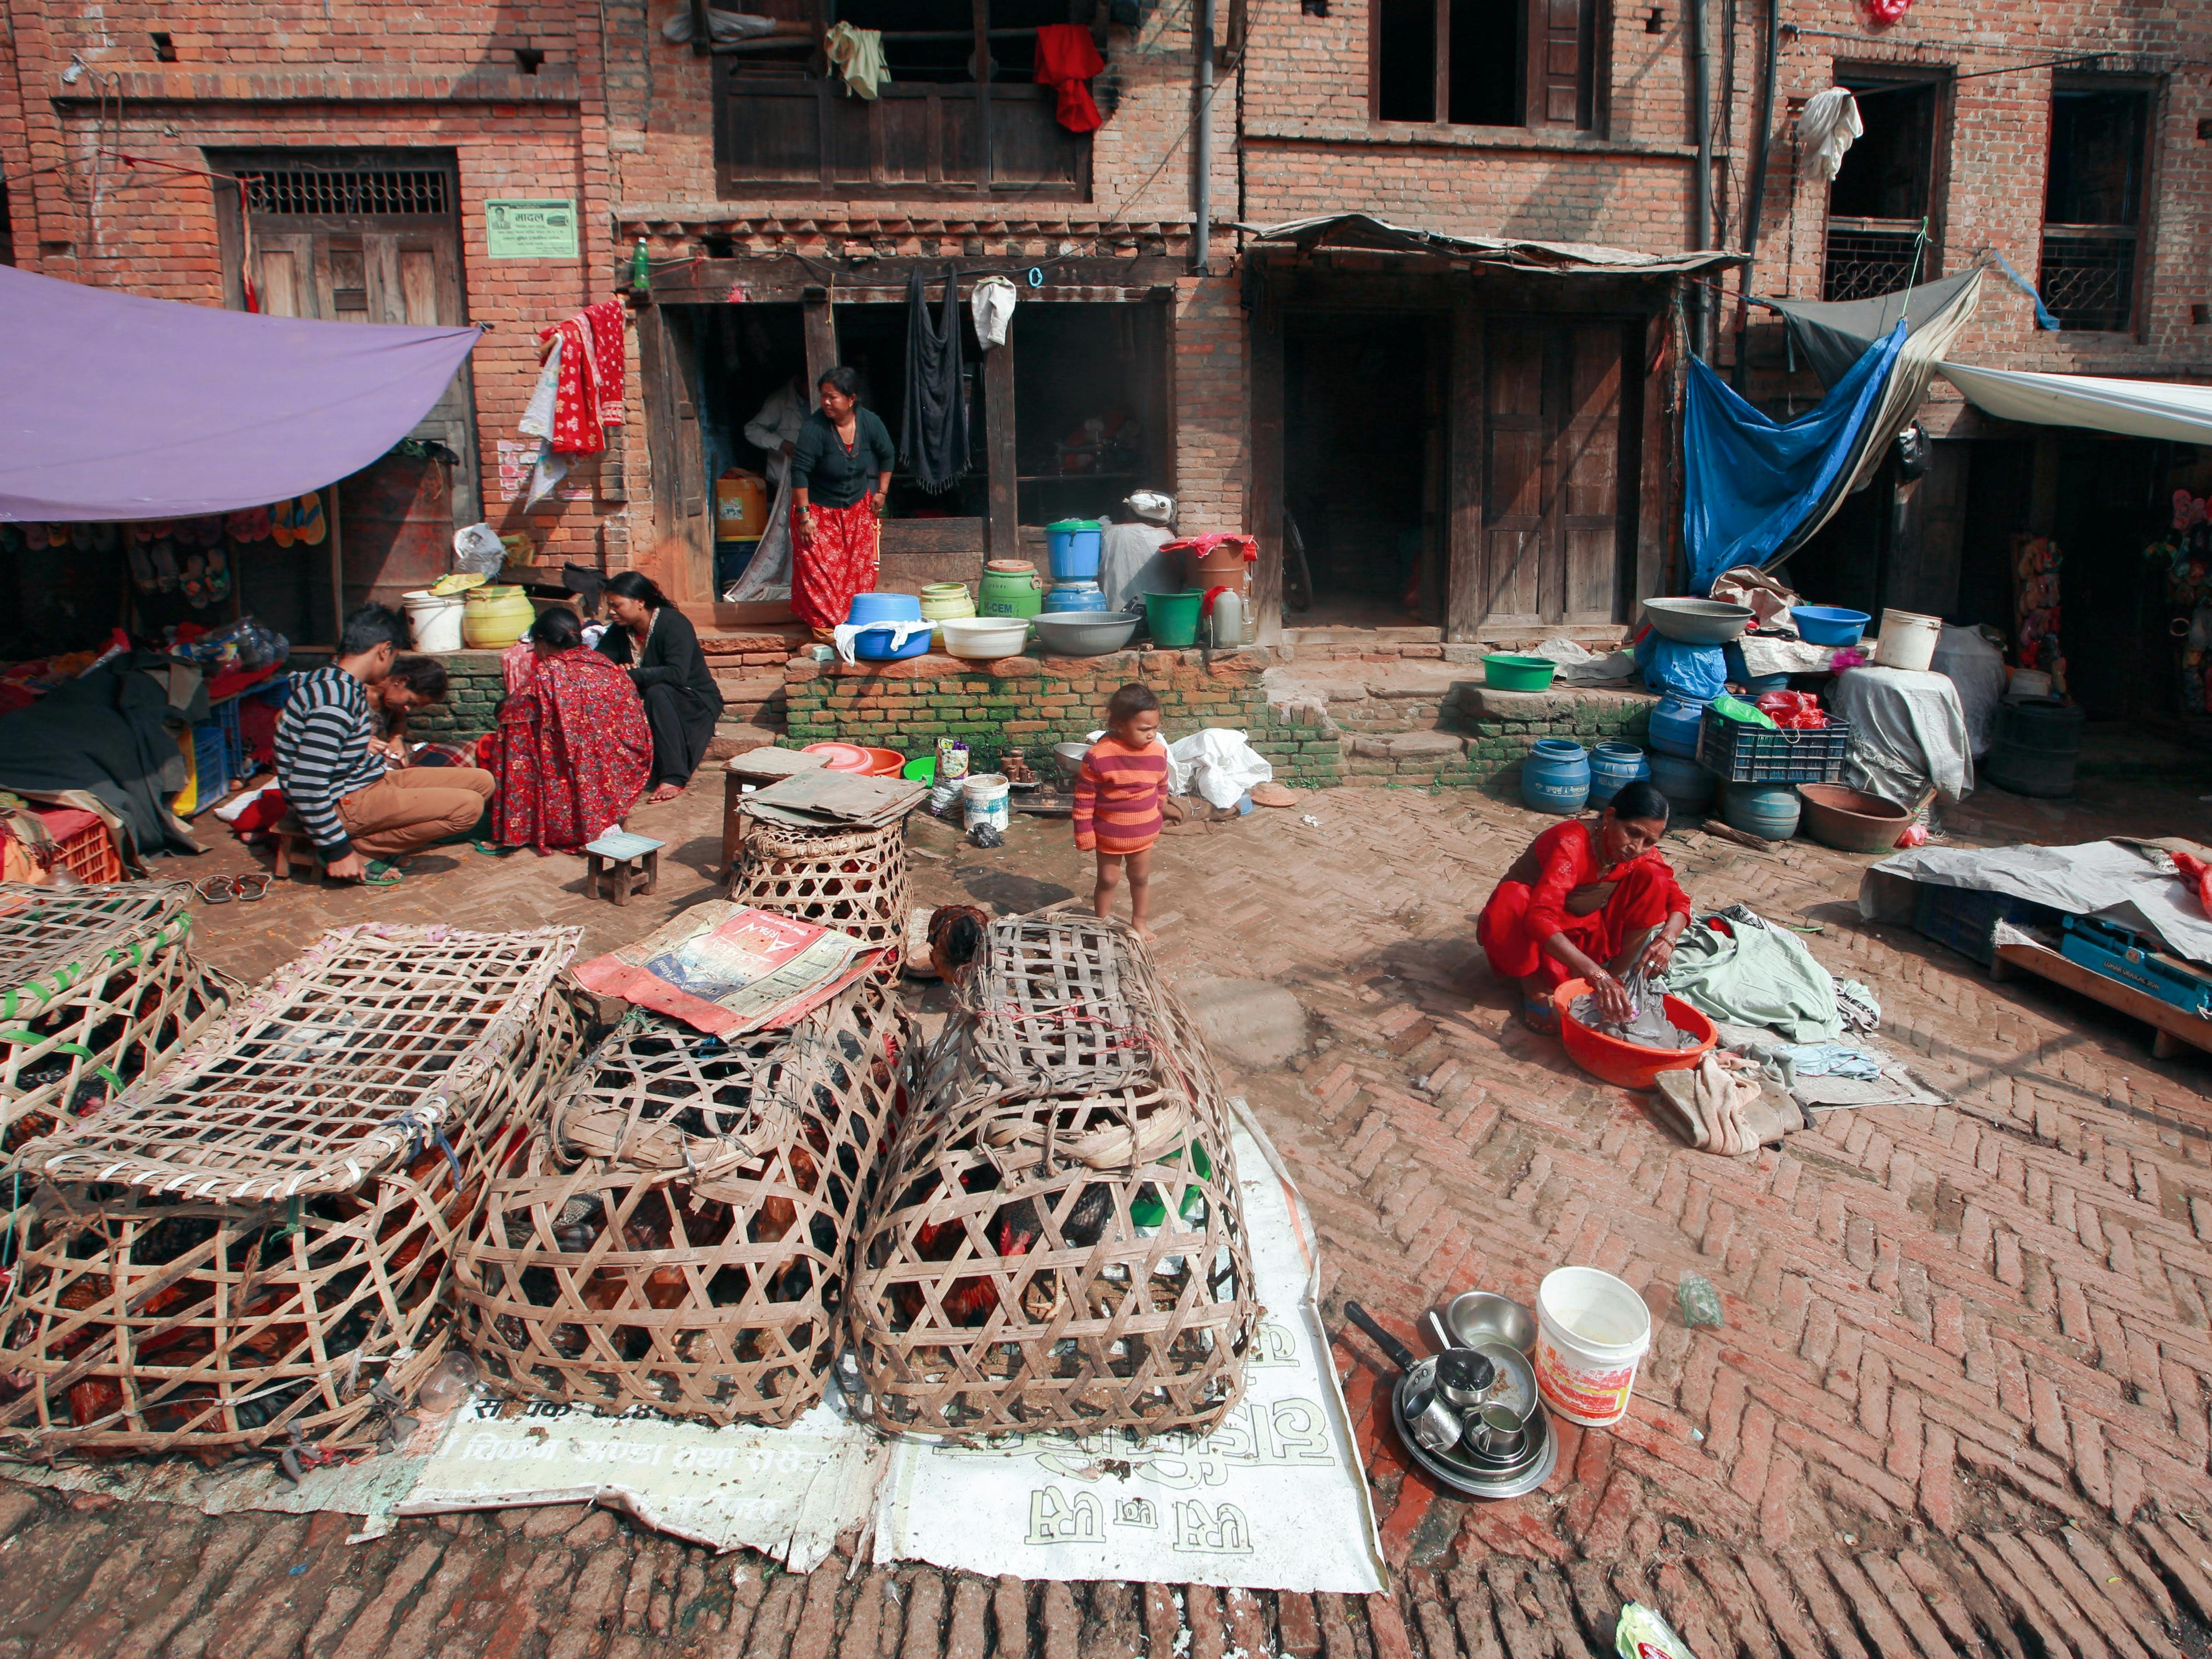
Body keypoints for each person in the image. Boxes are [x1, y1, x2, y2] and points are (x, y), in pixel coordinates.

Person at [272, 604, 494, 887]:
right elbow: (307, 785)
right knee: (469, 808)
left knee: (482, 782)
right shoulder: (335, 701)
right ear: (384, 650)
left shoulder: (336, 682)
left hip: (370, 781)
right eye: (395, 656)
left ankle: (367, 838)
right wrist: (337, 850)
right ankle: (357, 848)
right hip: (345, 801)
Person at [1475, 780, 1693, 1034]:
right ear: (1610, 817)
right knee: (1512, 896)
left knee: (1654, 878)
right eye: (1633, 833)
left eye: (1649, 841)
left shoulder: (1641, 853)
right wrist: (1595, 974)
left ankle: (1615, 979)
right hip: (1530, 929)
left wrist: (1668, 939)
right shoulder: (1571, 842)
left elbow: (1677, 899)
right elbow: (1540, 918)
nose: (1637, 848)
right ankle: (1533, 987)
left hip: (1586, 926)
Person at [493, 608, 652, 852]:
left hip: (580, 770)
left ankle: (533, 825)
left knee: (516, 734)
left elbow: (510, 714)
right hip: (617, 770)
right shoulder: (608, 667)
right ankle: (605, 817)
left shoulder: (547, 675)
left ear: (544, 644)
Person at [597, 570, 724, 803]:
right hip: (653, 699)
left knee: (658, 692)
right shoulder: (619, 631)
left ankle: (673, 777)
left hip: (693, 699)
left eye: (617, 606)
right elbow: (599, 664)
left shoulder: (673, 623)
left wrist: (633, 674)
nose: (611, 612)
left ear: (640, 602)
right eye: (610, 606)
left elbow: (676, 674)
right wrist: (618, 673)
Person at [789, 365, 895, 636]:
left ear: (851, 399)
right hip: (817, 512)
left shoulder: (870, 422)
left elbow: (887, 454)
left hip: (857, 509)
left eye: (833, 397)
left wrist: (881, 492)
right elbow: (799, 471)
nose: (826, 402)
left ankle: (850, 624)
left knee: (857, 571)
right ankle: (826, 628)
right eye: (823, 396)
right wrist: (804, 517)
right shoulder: (814, 429)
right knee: (821, 573)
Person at [1074, 682, 1169, 941]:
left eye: (1156, 728)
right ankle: (1102, 922)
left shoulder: (1158, 753)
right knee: (1107, 880)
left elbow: (1162, 785)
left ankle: (1139, 921)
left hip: (1144, 834)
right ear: (1119, 726)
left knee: (1140, 877)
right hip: (1109, 836)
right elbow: (1084, 799)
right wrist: (1084, 833)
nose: (1152, 735)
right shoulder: (1099, 757)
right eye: (1144, 729)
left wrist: (1158, 813)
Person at [366, 655, 450, 766]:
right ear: (402, 682)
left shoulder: (393, 702)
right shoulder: (353, 693)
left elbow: (399, 721)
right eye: (410, 702)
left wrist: (397, 739)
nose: (407, 709)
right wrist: (361, 743)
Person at [742, 372, 809, 485]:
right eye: (809, 384)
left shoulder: (822, 401)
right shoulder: (780, 401)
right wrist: (781, 444)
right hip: (785, 479)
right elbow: (752, 430)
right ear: (798, 381)